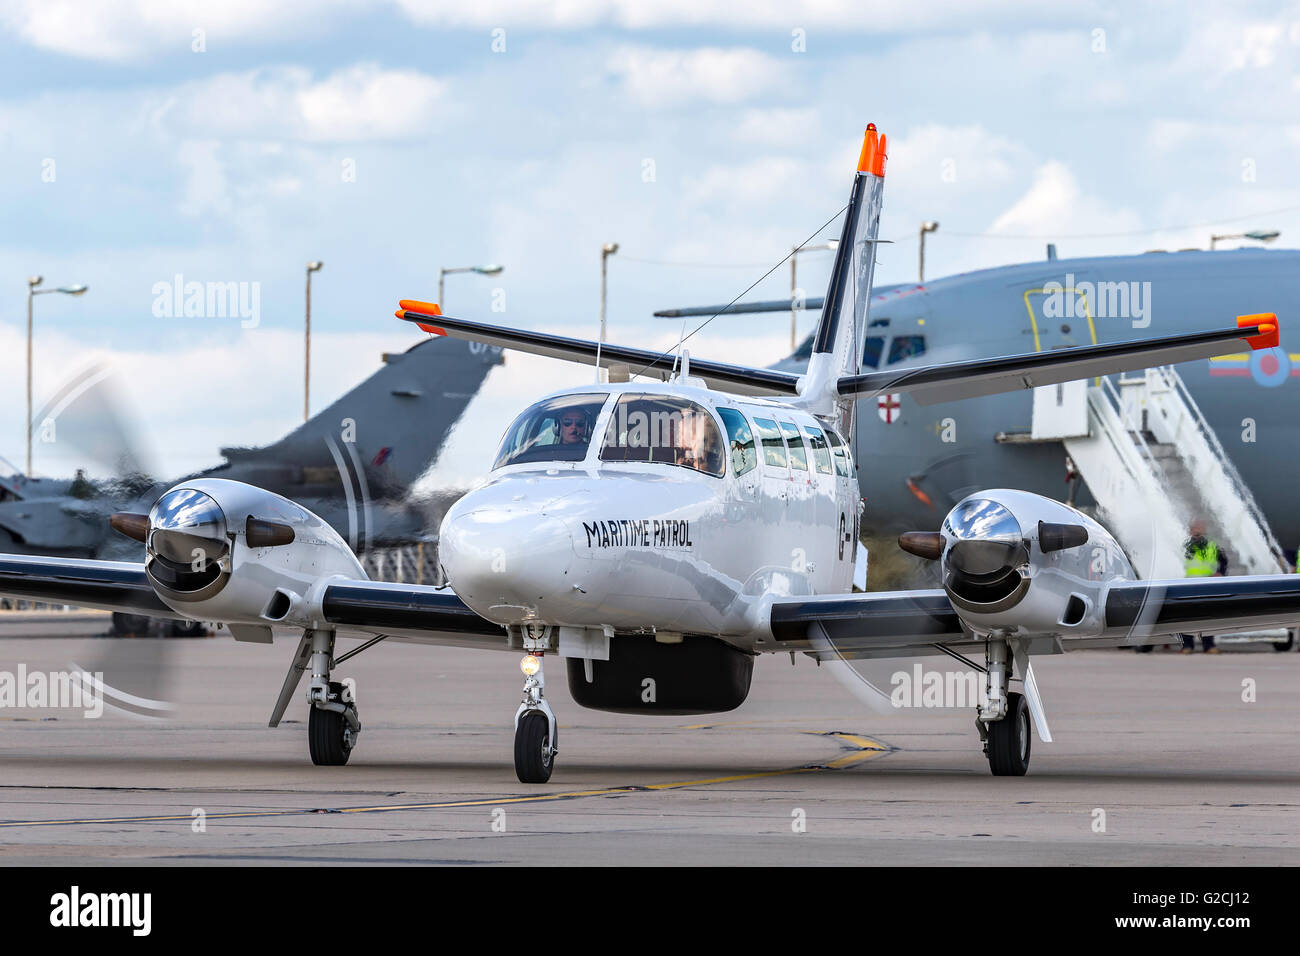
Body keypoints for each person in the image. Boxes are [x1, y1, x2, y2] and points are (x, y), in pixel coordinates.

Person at [1180, 518, 1227, 654]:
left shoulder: (1213, 546)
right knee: (1185, 617)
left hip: (1206, 584)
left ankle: (1209, 645)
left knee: (1207, 617)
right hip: (1186, 585)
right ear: (1190, 530)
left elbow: (1223, 562)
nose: (1197, 531)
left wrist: (1220, 573)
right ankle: (1187, 646)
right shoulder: (1183, 546)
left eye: (1200, 528)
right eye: (1195, 528)